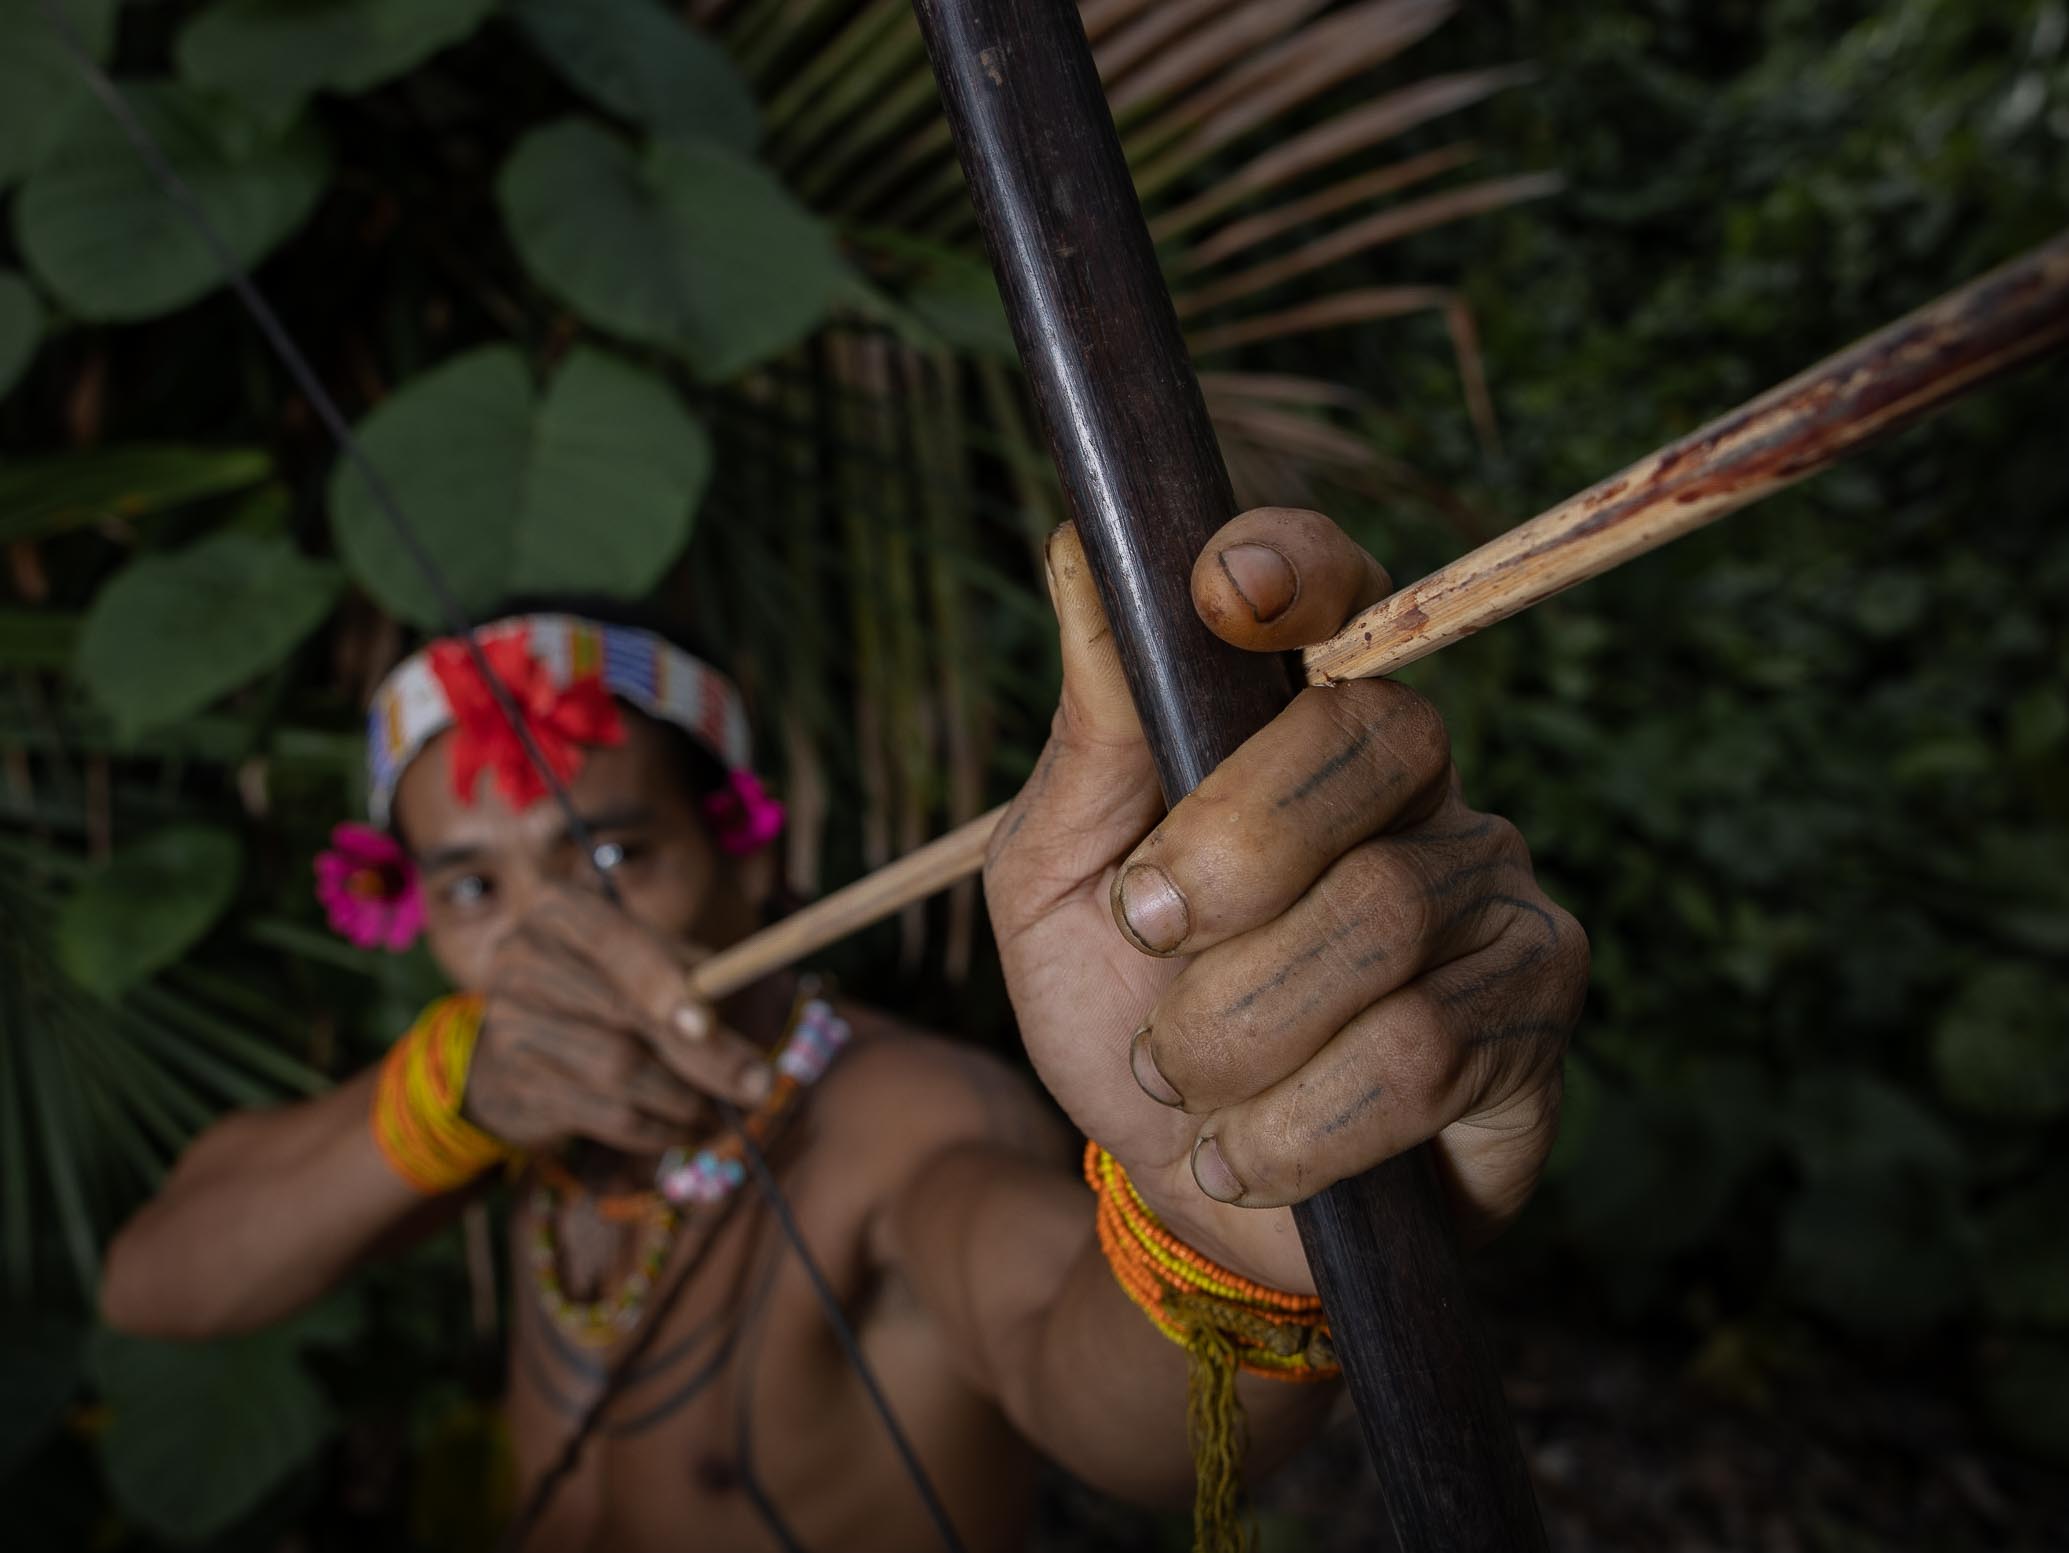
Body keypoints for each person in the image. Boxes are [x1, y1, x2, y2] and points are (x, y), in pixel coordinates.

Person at [100, 508, 1587, 1552]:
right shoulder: (505, 1107)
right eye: (472, 884)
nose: (548, 934)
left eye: (611, 858)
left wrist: (1235, 1202)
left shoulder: (904, 1123)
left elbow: (1103, 1401)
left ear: (748, 849)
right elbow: (159, 1282)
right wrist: (457, 1088)